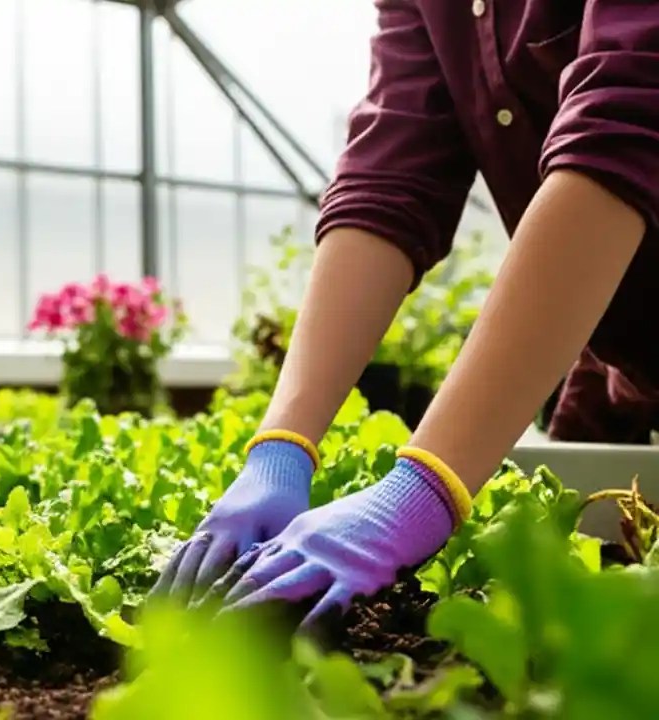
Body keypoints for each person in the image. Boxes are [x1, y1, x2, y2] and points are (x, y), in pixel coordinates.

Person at [150, 0, 659, 623]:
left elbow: (623, 133)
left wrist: (421, 492)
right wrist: (282, 447)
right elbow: (390, 177)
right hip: (626, 372)